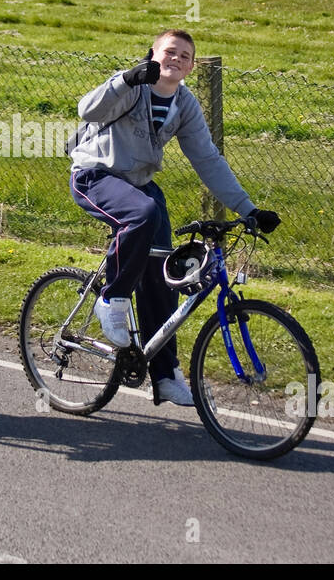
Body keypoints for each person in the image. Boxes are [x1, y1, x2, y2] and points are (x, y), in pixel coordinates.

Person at [69, 29, 280, 406]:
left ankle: (165, 374)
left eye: (185, 55)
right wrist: (125, 78)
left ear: (191, 67)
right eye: (170, 51)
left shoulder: (185, 104)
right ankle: (111, 298)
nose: (176, 59)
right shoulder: (134, 85)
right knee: (143, 213)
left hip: (138, 185)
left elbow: (208, 160)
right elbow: (88, 109)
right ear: (153, 54)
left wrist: (248, 209)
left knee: (162, 276)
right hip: (96, 176)